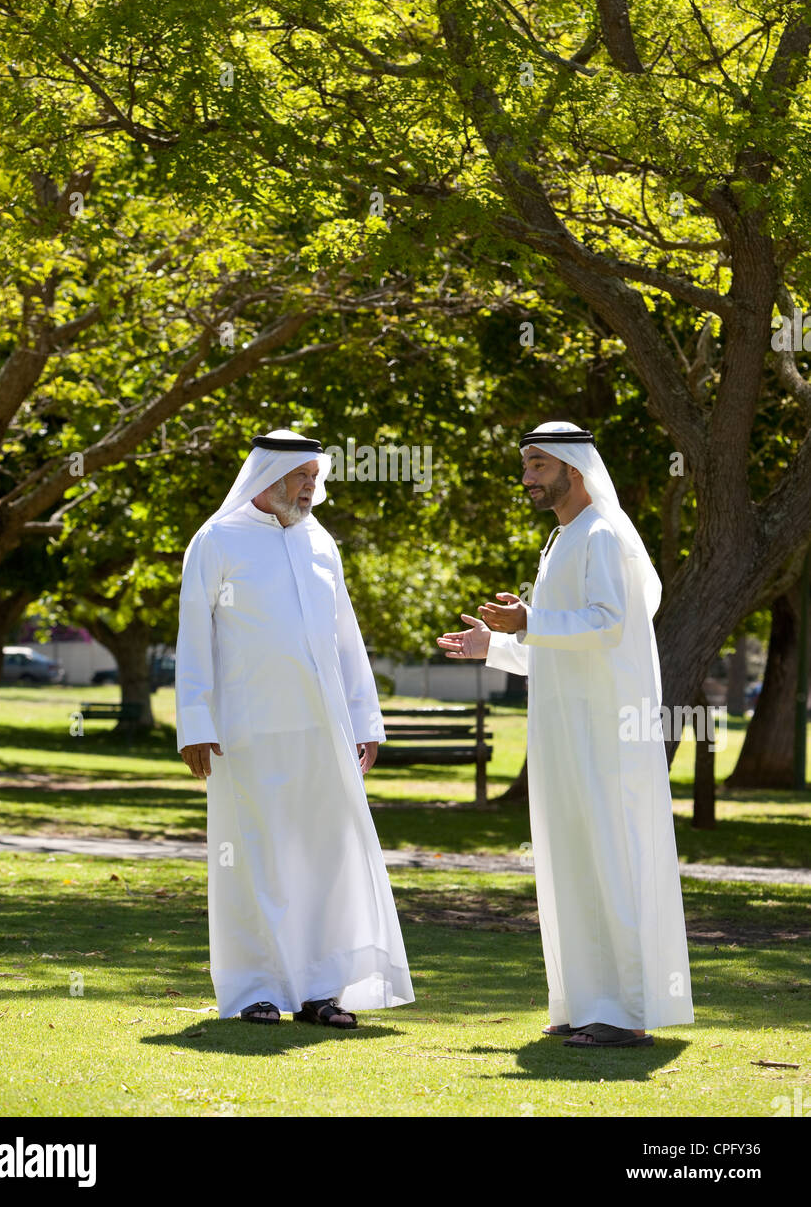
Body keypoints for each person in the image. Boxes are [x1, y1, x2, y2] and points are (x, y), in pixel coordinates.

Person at [437, 421, 693, 1048]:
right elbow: (555, 645)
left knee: (609, 858)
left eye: (537, 465)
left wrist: (530, 619)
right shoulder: (561, 539)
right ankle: (584, 1003)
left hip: (603, 734)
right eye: (525, 464)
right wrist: (495, 644)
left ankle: (625, 1012)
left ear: (572, 469)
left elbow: (607, 626)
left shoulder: (601, 533)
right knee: (568, 863)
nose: (526, 477)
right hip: (563, 734)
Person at [175, 428, 414, 1027]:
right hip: (245, 734)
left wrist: (366, 720)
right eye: (302, 477)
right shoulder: (216, 540)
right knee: (253, 856)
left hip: (322, 732)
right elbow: (194, 639)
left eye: (316, 476)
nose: (312, 487)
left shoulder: (320, 542)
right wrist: (195, 723)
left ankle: (319, 991)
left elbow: (346, 638)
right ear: (267, 477)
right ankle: (253, 990)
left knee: (323, 856)